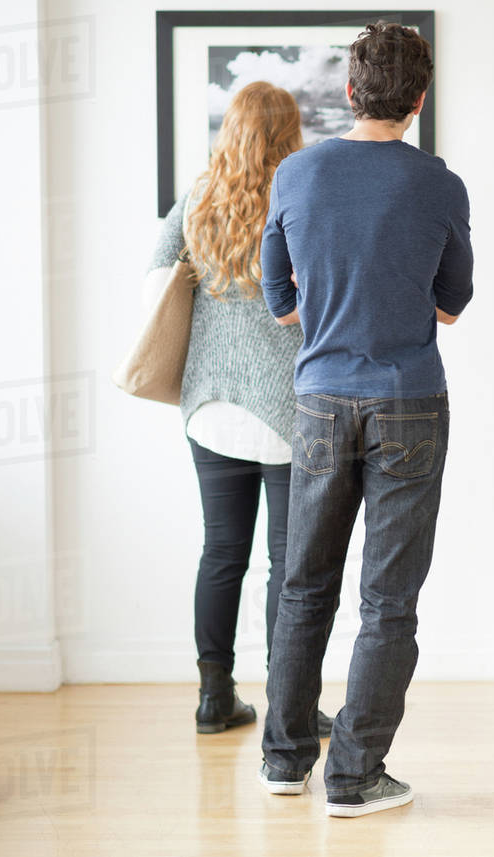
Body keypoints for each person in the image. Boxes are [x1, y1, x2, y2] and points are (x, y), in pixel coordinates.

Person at [257, 22, 473, 819]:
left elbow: (279, 298)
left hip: (318, 398)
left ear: (350, 91)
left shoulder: (298, 174)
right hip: (410, 399)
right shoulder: (437, 183)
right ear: (419, 100)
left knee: (302, 584)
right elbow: (452, 304)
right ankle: (354, 774)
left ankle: (284, 759)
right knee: (389, 599)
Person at [146, 81, 333, 737]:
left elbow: (154, 280)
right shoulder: (305, 197)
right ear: (290, 132)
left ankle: (213, 696)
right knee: (292, 569)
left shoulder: (197, 198)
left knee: (223, 553)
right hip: (288, 410)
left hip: (211, 405)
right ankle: (293, 706)